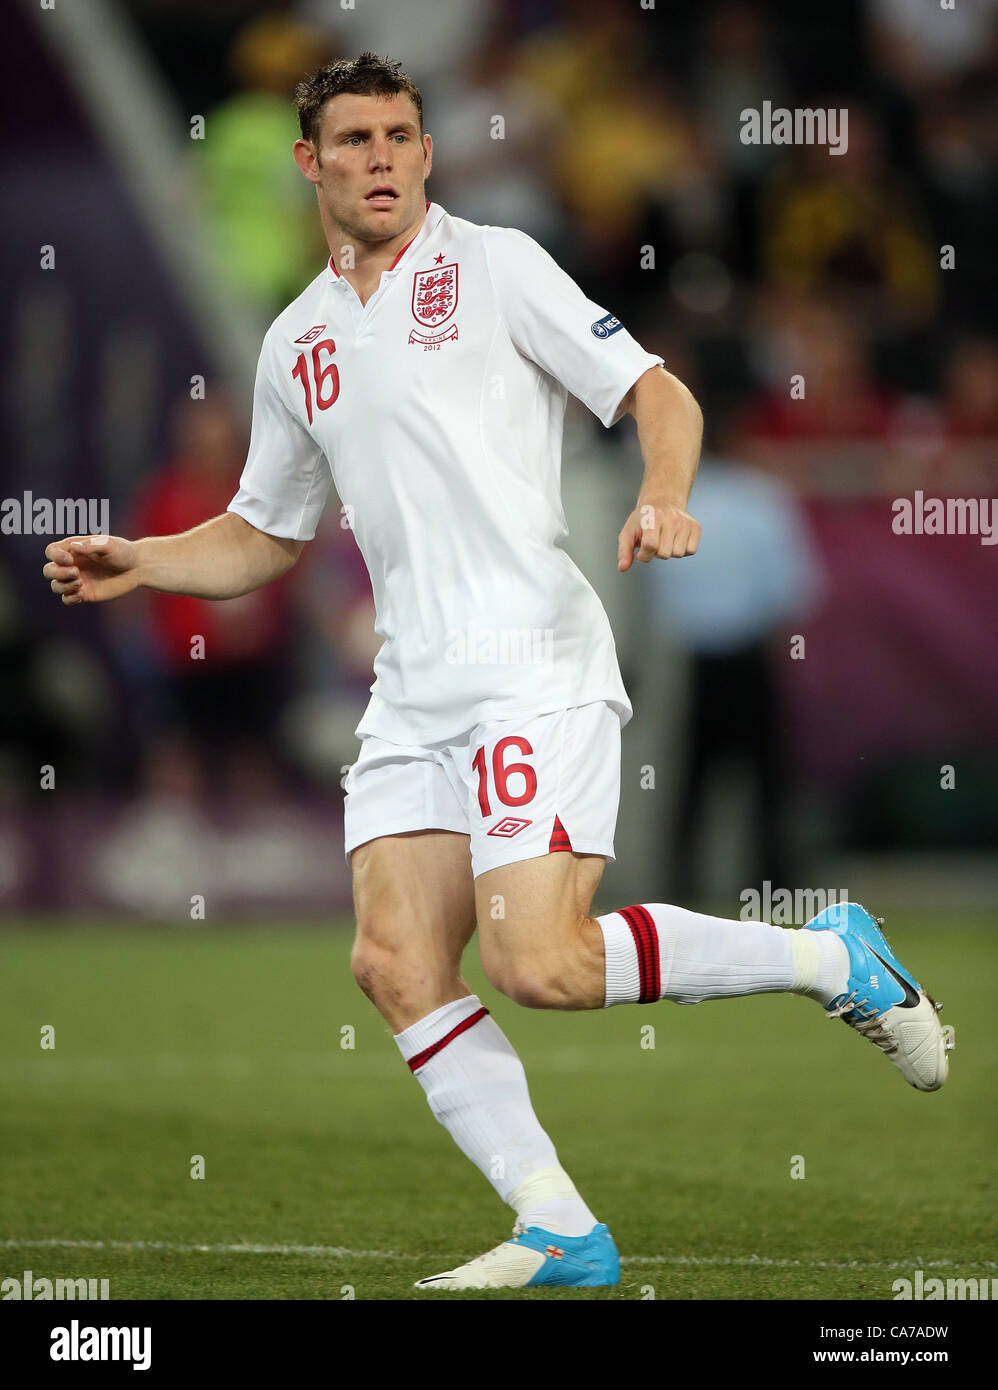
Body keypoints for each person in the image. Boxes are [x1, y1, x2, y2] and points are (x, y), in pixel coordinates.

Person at [42, 53, 952, 1292]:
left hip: (529, 660)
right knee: (393, 959)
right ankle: (557, 1227)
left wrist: (665, 492)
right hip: (414, 688)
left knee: (542, 965)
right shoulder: (295, 340)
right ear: (309, 162)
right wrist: (143, 559)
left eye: (401, 136)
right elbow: (267, 529)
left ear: (426, 150)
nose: (381, 159)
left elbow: (657, 392)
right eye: (355, 139)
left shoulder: (494, 266)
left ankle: (829, 956)